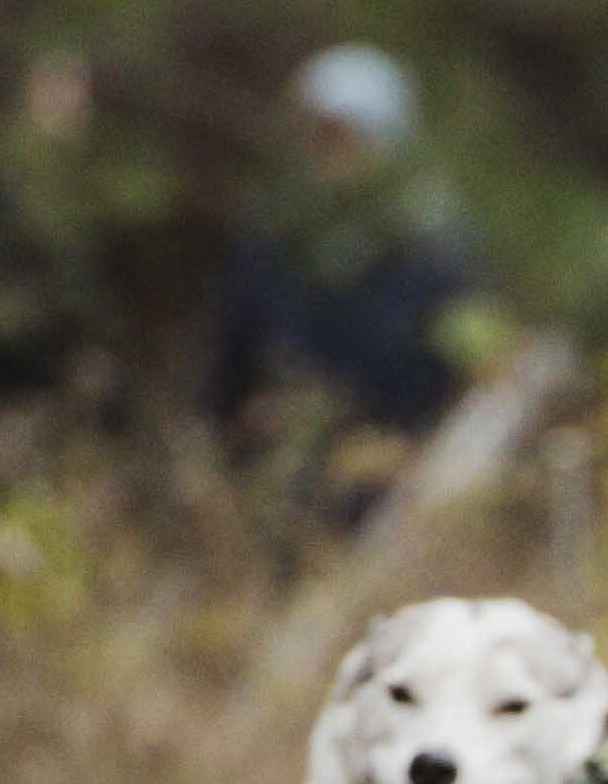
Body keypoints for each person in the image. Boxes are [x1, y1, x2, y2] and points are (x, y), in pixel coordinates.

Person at [205, 43, 481, 495]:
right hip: (281, 486)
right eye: (320, 134)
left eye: (346, 135)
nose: (332, 153)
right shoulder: (272, 238)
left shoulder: (434, 249)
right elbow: (228, 369)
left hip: (393, 493)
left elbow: (470, 371)